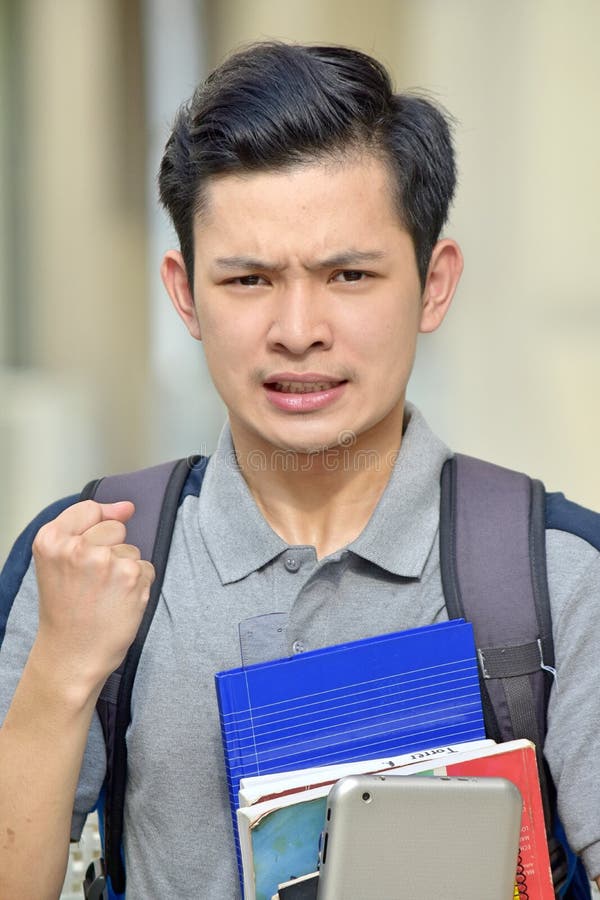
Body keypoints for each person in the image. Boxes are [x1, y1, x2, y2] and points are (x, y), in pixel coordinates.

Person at [0, 41, 598, 900]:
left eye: (349, 275)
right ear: (185, 293)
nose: (297, 328)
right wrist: (62, 668)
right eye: (247, 279)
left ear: (434, 283)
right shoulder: (84, 562)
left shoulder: (562, 575)